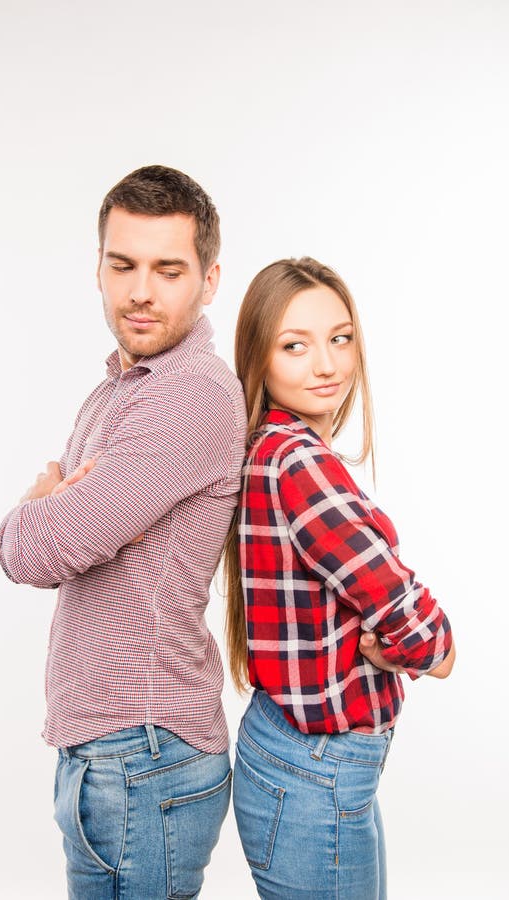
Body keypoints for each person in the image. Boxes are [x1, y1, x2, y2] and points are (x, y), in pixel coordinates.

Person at [0, 165, 247, 899]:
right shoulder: (118, 389)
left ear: (208, 279)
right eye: (123, 264)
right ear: (98, 269)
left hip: (144, 753)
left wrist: (40, 512)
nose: (141, 290)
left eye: (168, 269)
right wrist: (63, 514)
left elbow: (40, 550)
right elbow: (62, 537)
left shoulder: (190, 393)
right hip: (113, 752)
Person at [224, 256, 455, 900]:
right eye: (294, 346)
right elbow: (417, 628)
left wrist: (378, 635)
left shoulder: (270, 448)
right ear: (259, 358)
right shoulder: (299, 462)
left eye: (340, 338)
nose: (324, 364)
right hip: (315, 770)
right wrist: (431, 646)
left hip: (303, 761)